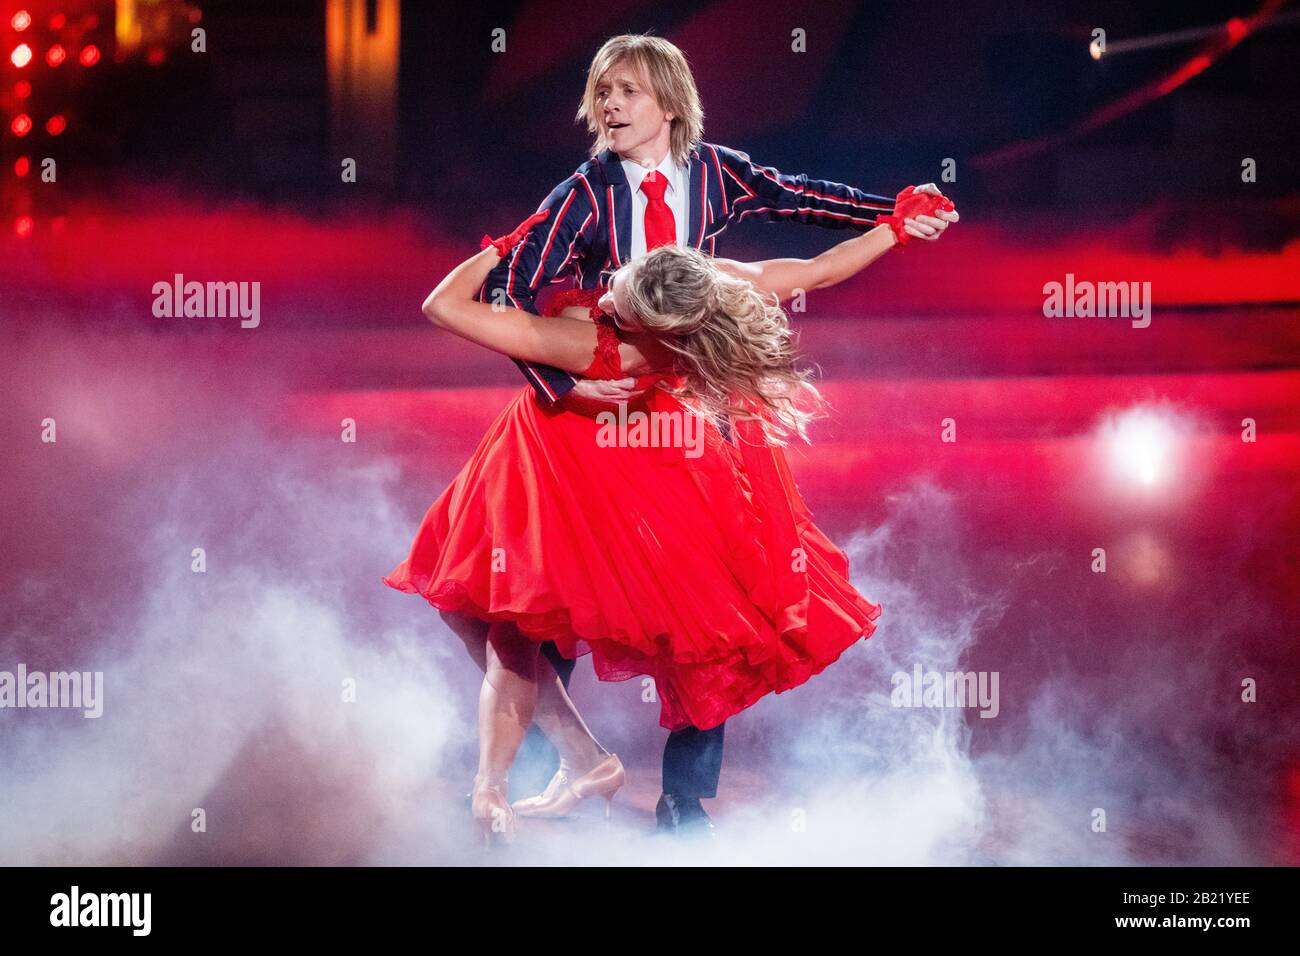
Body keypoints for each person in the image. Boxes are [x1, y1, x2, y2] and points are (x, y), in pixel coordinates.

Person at [475, 33, 958, 833]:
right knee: (556, 593)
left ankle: (684, 798)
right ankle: (542, 763)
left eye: (627, 90)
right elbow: (514, 292)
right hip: (601, 415)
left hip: (694, 416)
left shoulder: (717, 173)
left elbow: (801, 201)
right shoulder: (583, 193)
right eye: (602, 92)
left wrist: (895, 218)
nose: (610, 106)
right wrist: (571, 379)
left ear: (669, 100)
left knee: (713, 607)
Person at [384, 181, 955, 844]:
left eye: (617, 296)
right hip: (605, 468)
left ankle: (523, 785)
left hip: (555, 478)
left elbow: (443, 306)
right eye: (624, 273)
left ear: (640, 324)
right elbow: (814, 270)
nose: (608, 286)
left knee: (496, 621)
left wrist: (505, 245)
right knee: (494, 622)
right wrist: (896, 229)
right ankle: (576, 763)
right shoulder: (705, 284)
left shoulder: (596, 348)